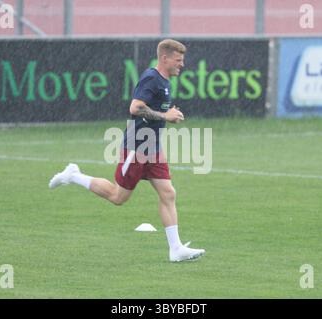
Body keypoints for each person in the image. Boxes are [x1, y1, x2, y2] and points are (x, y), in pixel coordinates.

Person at [49, 39, 205, 262]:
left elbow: (152, 108)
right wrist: (165, 116)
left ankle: (176, 249)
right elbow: (135, 107)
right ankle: (73, 175)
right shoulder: (151, 78)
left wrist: (168, 113)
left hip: (153, 147)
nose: (182, 65)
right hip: (137, 146)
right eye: (178, 61)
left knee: (168, 193)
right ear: (165, 58)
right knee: (118, 197)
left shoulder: (165, 82)